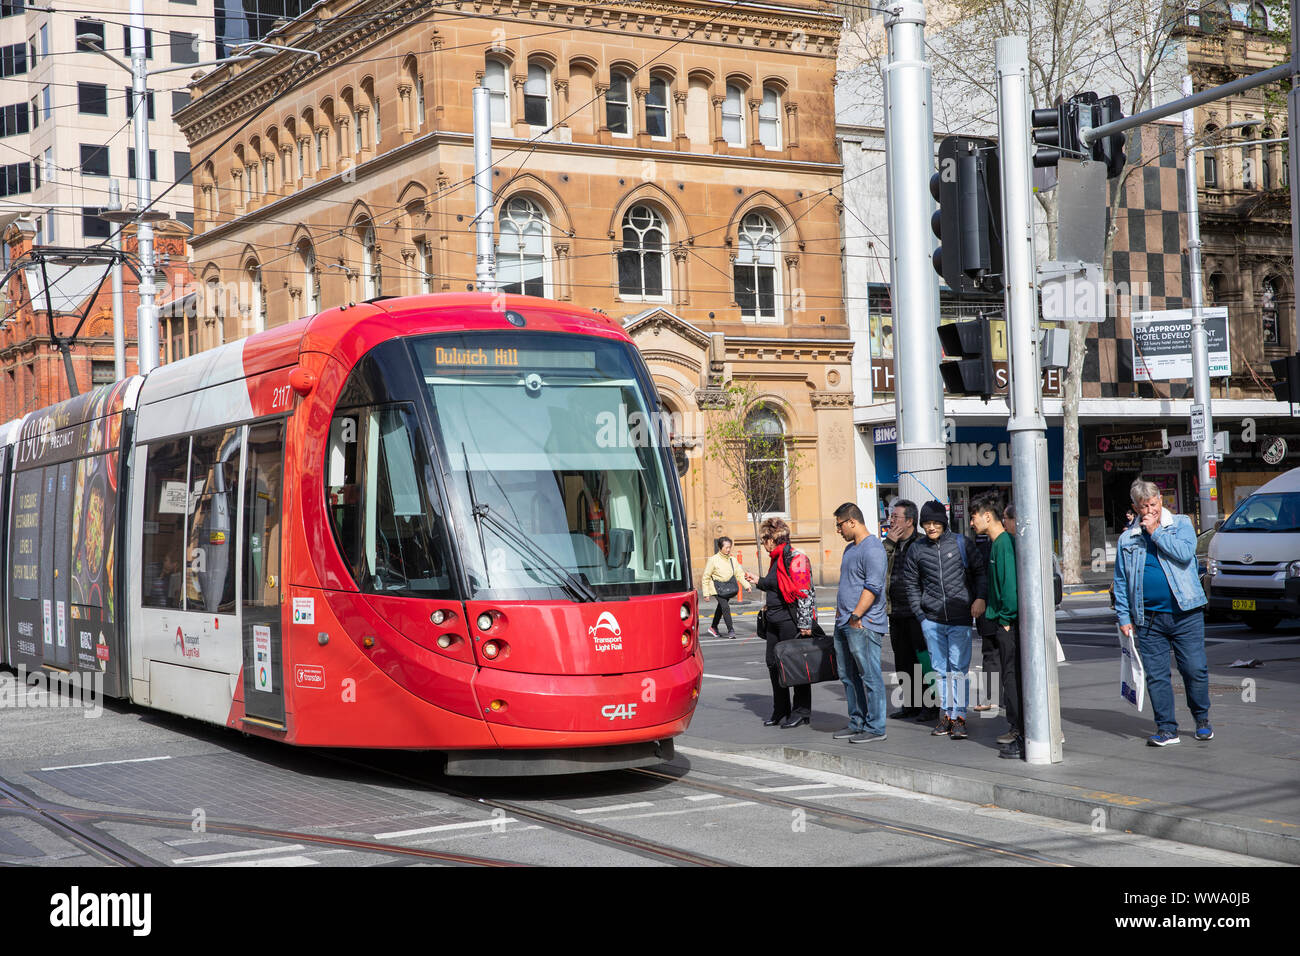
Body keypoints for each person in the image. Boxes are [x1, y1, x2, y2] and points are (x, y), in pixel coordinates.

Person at [1113, 478, 1212, 747]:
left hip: (1185, 613)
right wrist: (1123, 616)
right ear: (1135, 507)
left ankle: (1202, 719)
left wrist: (1156, 531)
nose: (1150, 511)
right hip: (1148, 619)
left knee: (1194, 669)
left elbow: (1184, 553)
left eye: (1154, 504)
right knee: (1156, 675)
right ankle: (1167, 728)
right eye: (1144, 507)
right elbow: (1121, 581)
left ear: (1161, 502)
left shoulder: (1180, 525)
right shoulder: (1127, 538)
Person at [902, 500, 974, 739]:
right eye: (927, 523)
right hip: (931, 619)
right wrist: (921, 615)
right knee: (940, 671)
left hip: (960, 617)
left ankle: (959, 718)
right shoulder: (917, 549)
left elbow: (979, 573)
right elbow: (910, 584)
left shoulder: (962, 543)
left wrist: (979, 599)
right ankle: (946, 716)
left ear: (944, 522)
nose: (931, 527)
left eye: (935, 522)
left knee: (958, 669)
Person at [744, 517, 817, 729]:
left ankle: (801, 711)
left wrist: (805, 624)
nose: (763, 545)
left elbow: (804, 592)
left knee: (795, 667)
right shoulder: (775, 559)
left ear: (772, 539)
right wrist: (758, 580)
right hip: (774, 620)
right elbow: (774, 584)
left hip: (790, 621)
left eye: (764, 540)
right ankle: (780, 709)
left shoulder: (796, 557)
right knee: (773, 664)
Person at [970, 493, 1024, 759]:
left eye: (973, 516)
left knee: (1012, 679)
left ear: (987, 516)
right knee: (1010, 678)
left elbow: (1010, 588)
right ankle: (1017, 729)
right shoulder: (997, 544)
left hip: (1007, 623)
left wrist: (1004, 619)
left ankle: (1020, 732)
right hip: (1003, 621)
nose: (971, 522)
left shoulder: (1003, 544)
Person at [830, 503, 888, 744]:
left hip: (862, 623)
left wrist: (856, 616)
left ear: (852, 522)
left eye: (840, 525)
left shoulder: (873, 548)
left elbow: (873, 587)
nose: (838, 530)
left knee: (870, 676)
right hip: (844, 622)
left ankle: (876, 727)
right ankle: (857, 722)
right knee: (848, 676)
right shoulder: (849, 550)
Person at [883, 499, 937, 721]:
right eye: (891, 517)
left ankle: (931, 705)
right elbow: (878, 570)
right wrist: (889, 544)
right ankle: (911, 704)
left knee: (923, 659)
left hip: (918, 612)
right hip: (895, 611)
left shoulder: (923, 544)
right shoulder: (890, 545)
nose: (891, 521)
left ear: (910, 521)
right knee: (903, 659)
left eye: (896, 518)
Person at [966, 513, 1000, 714]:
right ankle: (995, 697)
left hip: (993, 610)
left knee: (992, 654)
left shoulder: (998, 545)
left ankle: (993, 697)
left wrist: (980, 598)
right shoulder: (989, 545)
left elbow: (983, 578)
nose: (971, 523)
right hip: (990, 610)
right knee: (993, 653)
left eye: (973, 517)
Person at [701, 537, 743, 638]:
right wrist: (706, 594)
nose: (729, 549)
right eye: (726, 547)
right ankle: (731, 630)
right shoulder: (713, 560)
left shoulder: (732, 559)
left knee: (721, 608)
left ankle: (713, 627)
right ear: (720, 547)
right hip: (716, 588)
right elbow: (706, 577)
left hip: (727, 587)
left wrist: (747, 585)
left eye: (730, 547)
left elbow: (739, 574)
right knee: (725, 607)